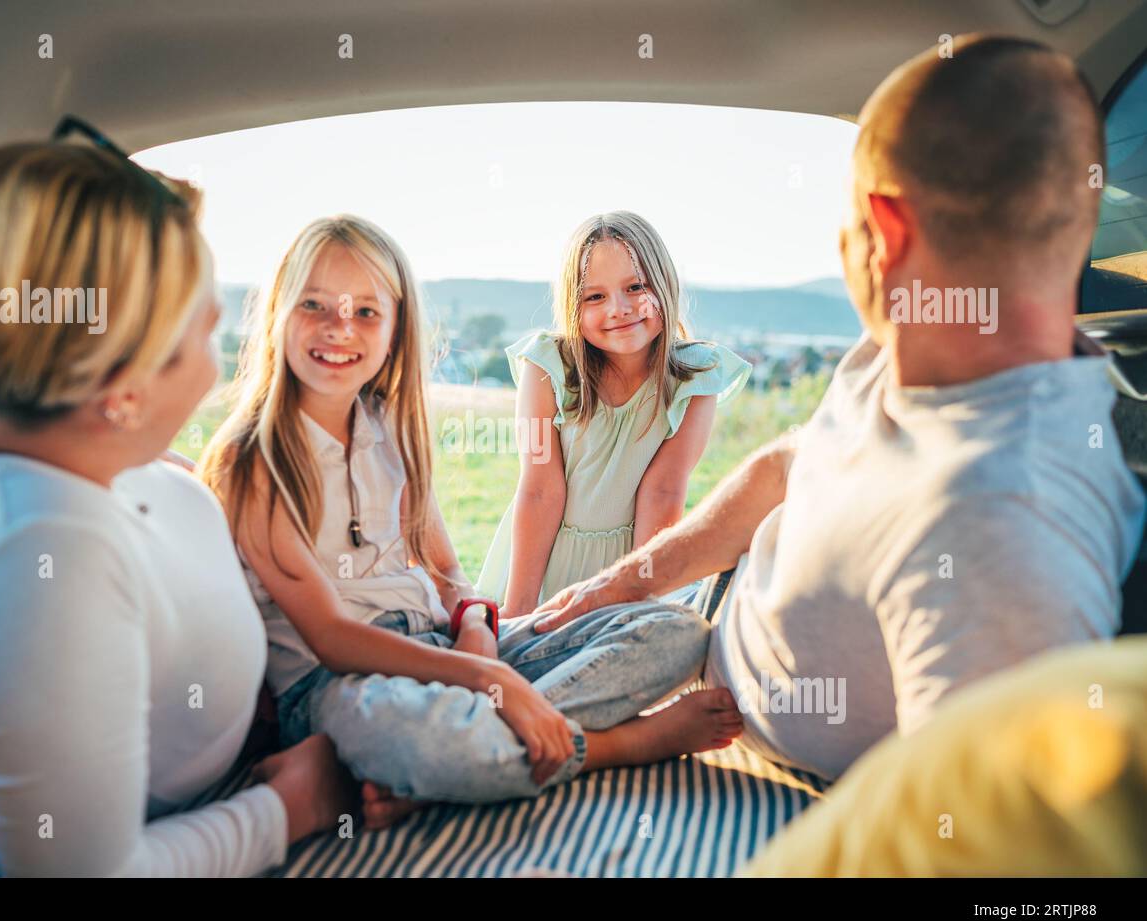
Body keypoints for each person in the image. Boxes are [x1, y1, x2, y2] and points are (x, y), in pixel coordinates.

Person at [531, 35, 1146, 782]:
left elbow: (959, 829)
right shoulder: (906, 347)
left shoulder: (1008, 522)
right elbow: (789, 468)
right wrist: (618, 585)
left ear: (886, 233)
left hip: (745, 762)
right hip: (686, 635)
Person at [0, 142, 356, 876]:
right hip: (245, 783)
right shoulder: (36, 558)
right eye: (203, 334)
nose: (216, 361)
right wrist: (296, 805)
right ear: (121, 396)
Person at [197, 215, 744, 827]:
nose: (339, 327)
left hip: (439, 642)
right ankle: (613, 746)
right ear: (277, 312)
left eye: (366, 313)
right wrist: (487, 676)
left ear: (395, 328)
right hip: (342, 682)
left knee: (676, 634)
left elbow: (446, 568)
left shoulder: (389, 431)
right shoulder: (251, 462)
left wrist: (478, 623)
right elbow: (330, 637)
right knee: (425, 739)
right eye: (315, 305)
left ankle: (471, 759)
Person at [477, 211, 750, 613]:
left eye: (635, 287)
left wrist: (632, 601)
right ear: (573, 304)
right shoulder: (546, 366)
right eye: (595, 297)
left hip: (634, 565)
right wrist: (520, 611)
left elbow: (663, 491)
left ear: (664, 284)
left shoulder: (696, 376)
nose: (619, 309)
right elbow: (539, 489)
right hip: (542, 560)